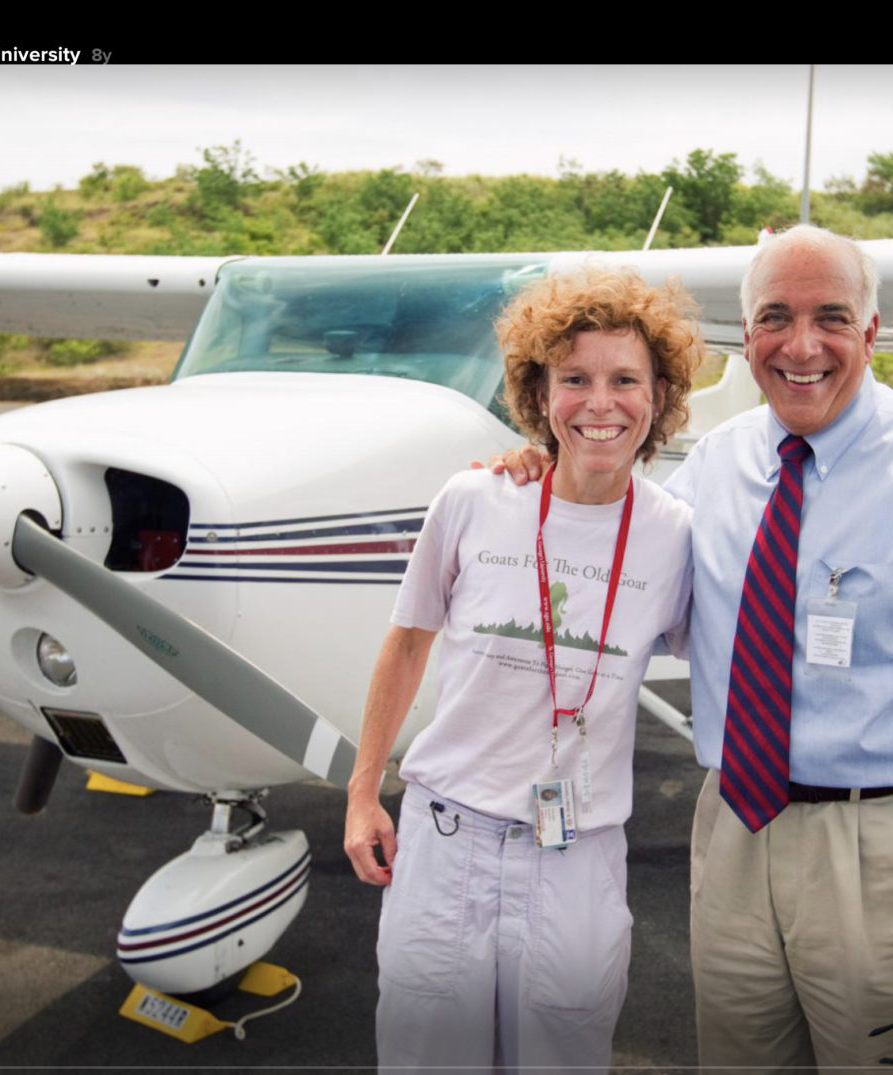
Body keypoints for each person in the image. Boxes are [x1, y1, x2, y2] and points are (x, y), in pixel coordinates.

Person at [493, 224, 893, 1071]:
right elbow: (621, 578)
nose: (801, 345)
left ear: (871, 332)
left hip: (890, 846)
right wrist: (542, 480)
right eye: (776, 317)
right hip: (735, 836)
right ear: (748, 335)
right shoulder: (716, 466)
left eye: (831, 318)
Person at [344, 269, 703, 1073]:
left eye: (625, 380)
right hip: (447, 842)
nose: (599, 403)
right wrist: (363, 792)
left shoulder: (678, 533)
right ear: (539, 394)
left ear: (660, 396)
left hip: (577, 857)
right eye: (573, 378)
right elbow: (406, 644)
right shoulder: (474, 499)